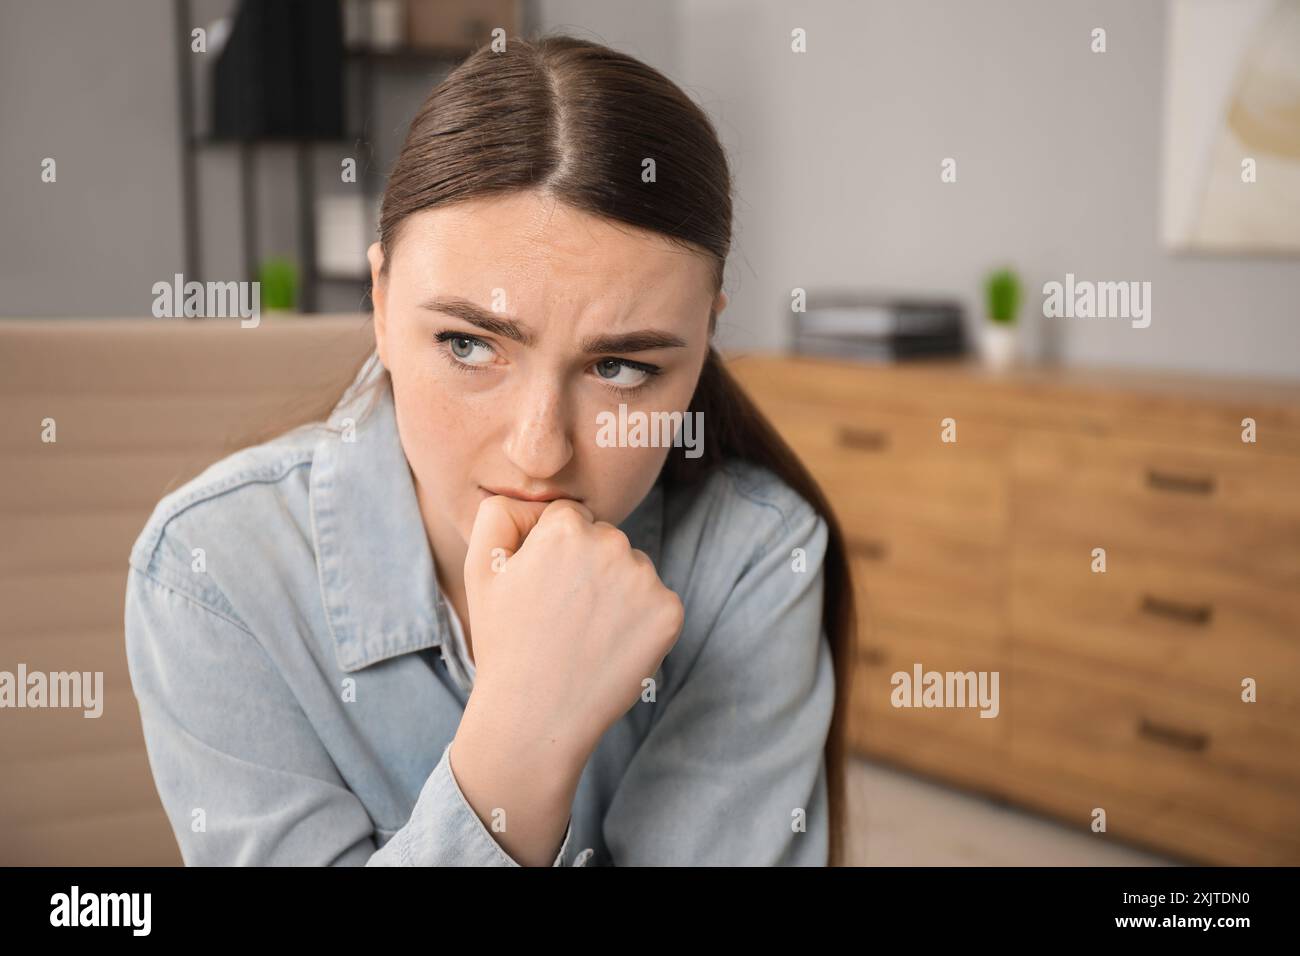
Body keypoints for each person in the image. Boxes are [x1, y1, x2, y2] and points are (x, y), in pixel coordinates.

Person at [124, 34, 856, 866]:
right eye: (469, 346)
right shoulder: (210, 570)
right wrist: (523, 733)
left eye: (621, 367)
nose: (540, 451)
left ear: (706, 339)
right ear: (380, 301)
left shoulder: (757, 556)